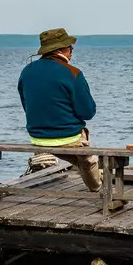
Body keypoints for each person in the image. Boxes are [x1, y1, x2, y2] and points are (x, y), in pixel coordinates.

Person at [18, 28, 101, 191]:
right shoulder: (73, 73)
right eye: (69, 46)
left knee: (80, 158)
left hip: (37, 137)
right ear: (60, 49)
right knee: (85, 154)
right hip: (67, 138)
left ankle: (99, 178)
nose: (72, 49)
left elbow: (26, 105)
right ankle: (98, 187)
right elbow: (88, 112)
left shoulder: (26, 71)